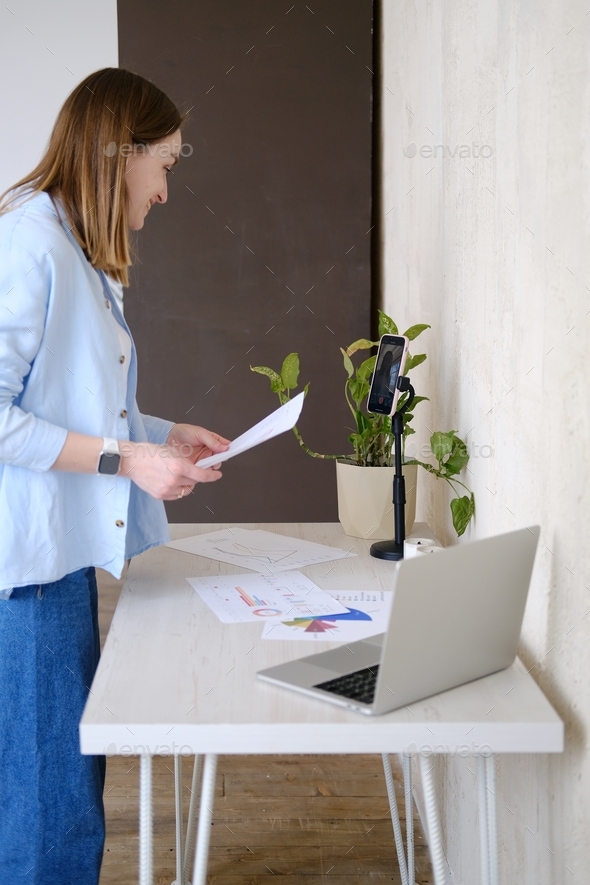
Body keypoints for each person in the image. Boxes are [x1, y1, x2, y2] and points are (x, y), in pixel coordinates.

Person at [0, 67, 230, 885]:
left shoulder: (77, 250)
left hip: (57, 564)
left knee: (65, 796)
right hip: (22, 576)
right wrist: (128, 458)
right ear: (119, 153)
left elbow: (74, 402)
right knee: (50, 817)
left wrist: (166, 433)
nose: (166, 188)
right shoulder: (32, 242)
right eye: (164, 163)